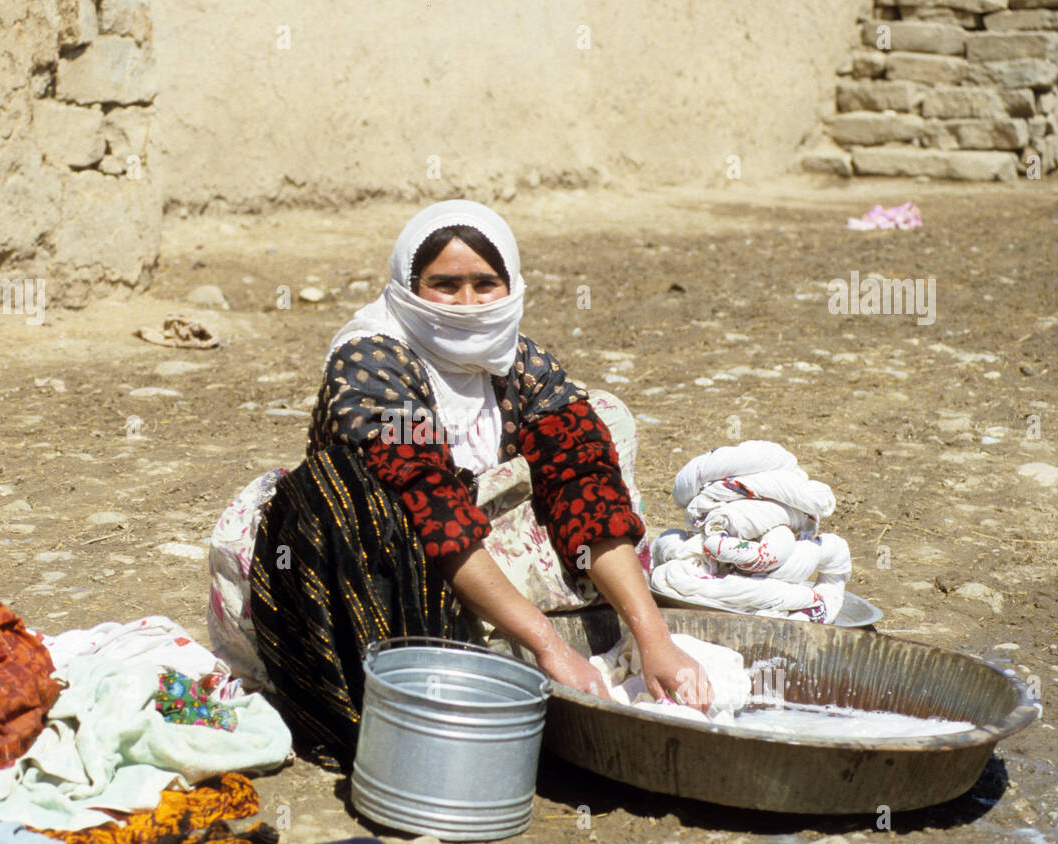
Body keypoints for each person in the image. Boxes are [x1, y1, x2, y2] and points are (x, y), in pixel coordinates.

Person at [236, 200, 712, 767]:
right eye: (445, 285)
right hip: (391, 558)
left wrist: (653, 636)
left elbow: (586, 492)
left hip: (477, 529)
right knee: (364, 488)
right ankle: (451, 649)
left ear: (510, 284)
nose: (467, 304)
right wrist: (551, 649)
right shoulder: (371, 360)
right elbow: (433, 513)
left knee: (597, 420)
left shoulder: (518, 360)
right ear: (409, 287)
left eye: (485, 284)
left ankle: (540, 625)